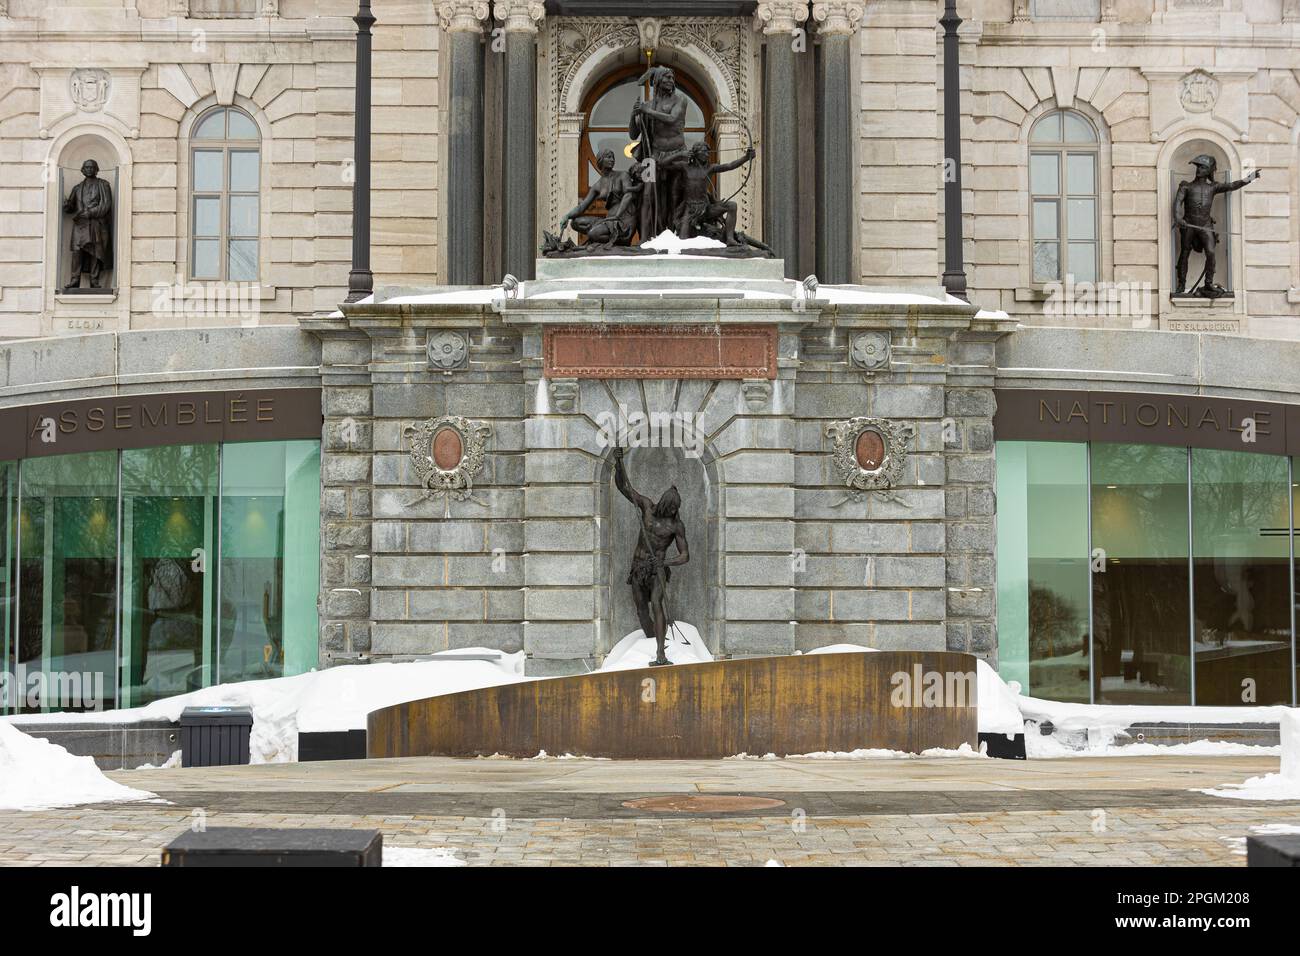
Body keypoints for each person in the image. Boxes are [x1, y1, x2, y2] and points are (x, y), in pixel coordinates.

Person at [612, 447, 689, 667]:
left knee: (656, 603)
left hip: (658, 569)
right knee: (641, 609)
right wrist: (619, 466)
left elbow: (685, 556)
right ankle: (650, 641)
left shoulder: (676, 526)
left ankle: (660, 653)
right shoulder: (646, 506)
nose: (674, 511)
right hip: (639, 566)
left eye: (677, 508)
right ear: (665, 503)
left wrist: (665, 562)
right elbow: (624, 487)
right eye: (672, 507)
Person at [1173, 154, 1259, 297]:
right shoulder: (1185, 186)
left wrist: (1249, 178)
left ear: (1209, 171)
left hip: (1205, 225)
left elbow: (1232, 185)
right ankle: (1181, 284)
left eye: (1203, 167)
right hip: (1189, 224)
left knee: (1211, 253)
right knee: (1185, 252)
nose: (1199, 169)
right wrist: (1178, 218)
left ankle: (1208, 283)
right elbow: (1177, 204)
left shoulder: (1213, 187)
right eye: (1198, 166)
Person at [628, 66, 689, 241]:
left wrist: (648, 111)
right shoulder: (647, 105)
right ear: (657, 81)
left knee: (675, 196)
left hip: (678, 155)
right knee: (647, 195)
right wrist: (634, 115)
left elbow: (672, 119)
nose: (670, 81)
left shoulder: (680, 100)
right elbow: (633, 134)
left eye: (672, 77)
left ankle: (677, 238)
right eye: (666, 78)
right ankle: (644, 239)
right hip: (653, 156)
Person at [660, 142, 756, 246]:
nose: (707, 154)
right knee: (682, 240)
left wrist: (746, 157)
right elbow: (662, 163)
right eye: (704, 152)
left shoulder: (710, 168)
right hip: (689, 209)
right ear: (695, 153)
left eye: (708, 152)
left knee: (732, 205)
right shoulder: (685, 167)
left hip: (705, 209)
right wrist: (680, 154)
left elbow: (730, 165)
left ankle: (729, 238)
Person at [558, 149, 644, 249]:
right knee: (575, 223)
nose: (612, 160)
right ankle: (599, 235)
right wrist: (567, 216)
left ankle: (604, 239)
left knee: (593, 234)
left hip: (624, 219)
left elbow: (628, 195)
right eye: (608, 157)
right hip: (609, 219)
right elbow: (582, 206)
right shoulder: (597, 186)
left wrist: (617, 215)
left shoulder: (622, 175)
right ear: (600, 160)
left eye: (613, 157)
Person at [63, 159, 113, 290]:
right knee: (77, 252)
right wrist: (66, 205)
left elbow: (106, 205)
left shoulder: (103, 184)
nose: (89, 169)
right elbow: (70, 207)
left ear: (96, 169)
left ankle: (94, 281)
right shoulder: (77, 188)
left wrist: (90, 213)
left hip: (96, 223)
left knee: (95, 252)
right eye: (86, 167)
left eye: (92, 167)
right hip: (80, 225)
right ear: (83, 170)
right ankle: (75, 280)